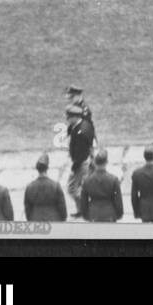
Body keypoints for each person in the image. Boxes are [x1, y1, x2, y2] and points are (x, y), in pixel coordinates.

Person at [64, 86, 95, 217]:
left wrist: (76, 163)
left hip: (83, 151)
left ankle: (84, 207)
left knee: (78, 184)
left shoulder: (84, 110)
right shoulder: (77, 110)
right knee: (85, 179)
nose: (70, 99)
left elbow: (87, 130)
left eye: (71, 96)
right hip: (82, 149)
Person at [79, 149, 124, 222]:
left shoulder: (87, 181)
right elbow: (118, 200)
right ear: (106, 162)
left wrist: (85, 215)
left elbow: (83, 201)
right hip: (110, 214)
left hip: (93, 214)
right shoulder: (113, 180)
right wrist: (119, 214)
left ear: (94, 162)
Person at [23, 154, 67, 222]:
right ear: (47, 168)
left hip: (35, 220)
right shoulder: (55, 186)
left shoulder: (29, 187)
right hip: (54, 219)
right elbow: (62, 208)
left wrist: (31, 219)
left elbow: (27, 209)